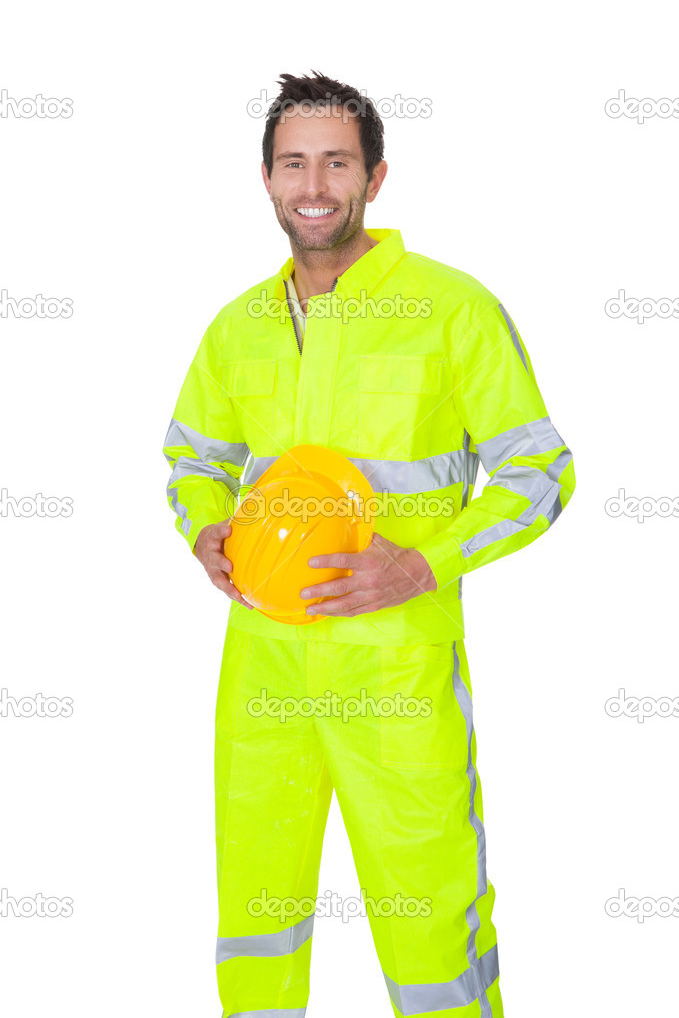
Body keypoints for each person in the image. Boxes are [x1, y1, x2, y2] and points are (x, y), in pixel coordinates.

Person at [163, 70, 575, 1018]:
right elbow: (192, 455)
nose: (314, 183)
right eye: (294, 162)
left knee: (429, 912)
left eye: (336, 162)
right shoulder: (239, 327)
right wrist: (203, 528)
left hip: (395, 674)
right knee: (255, 914)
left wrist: (423, 561)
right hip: (262, 670)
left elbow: (540, 472)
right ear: (266, 180)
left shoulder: (450, 308)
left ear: (376, 177)